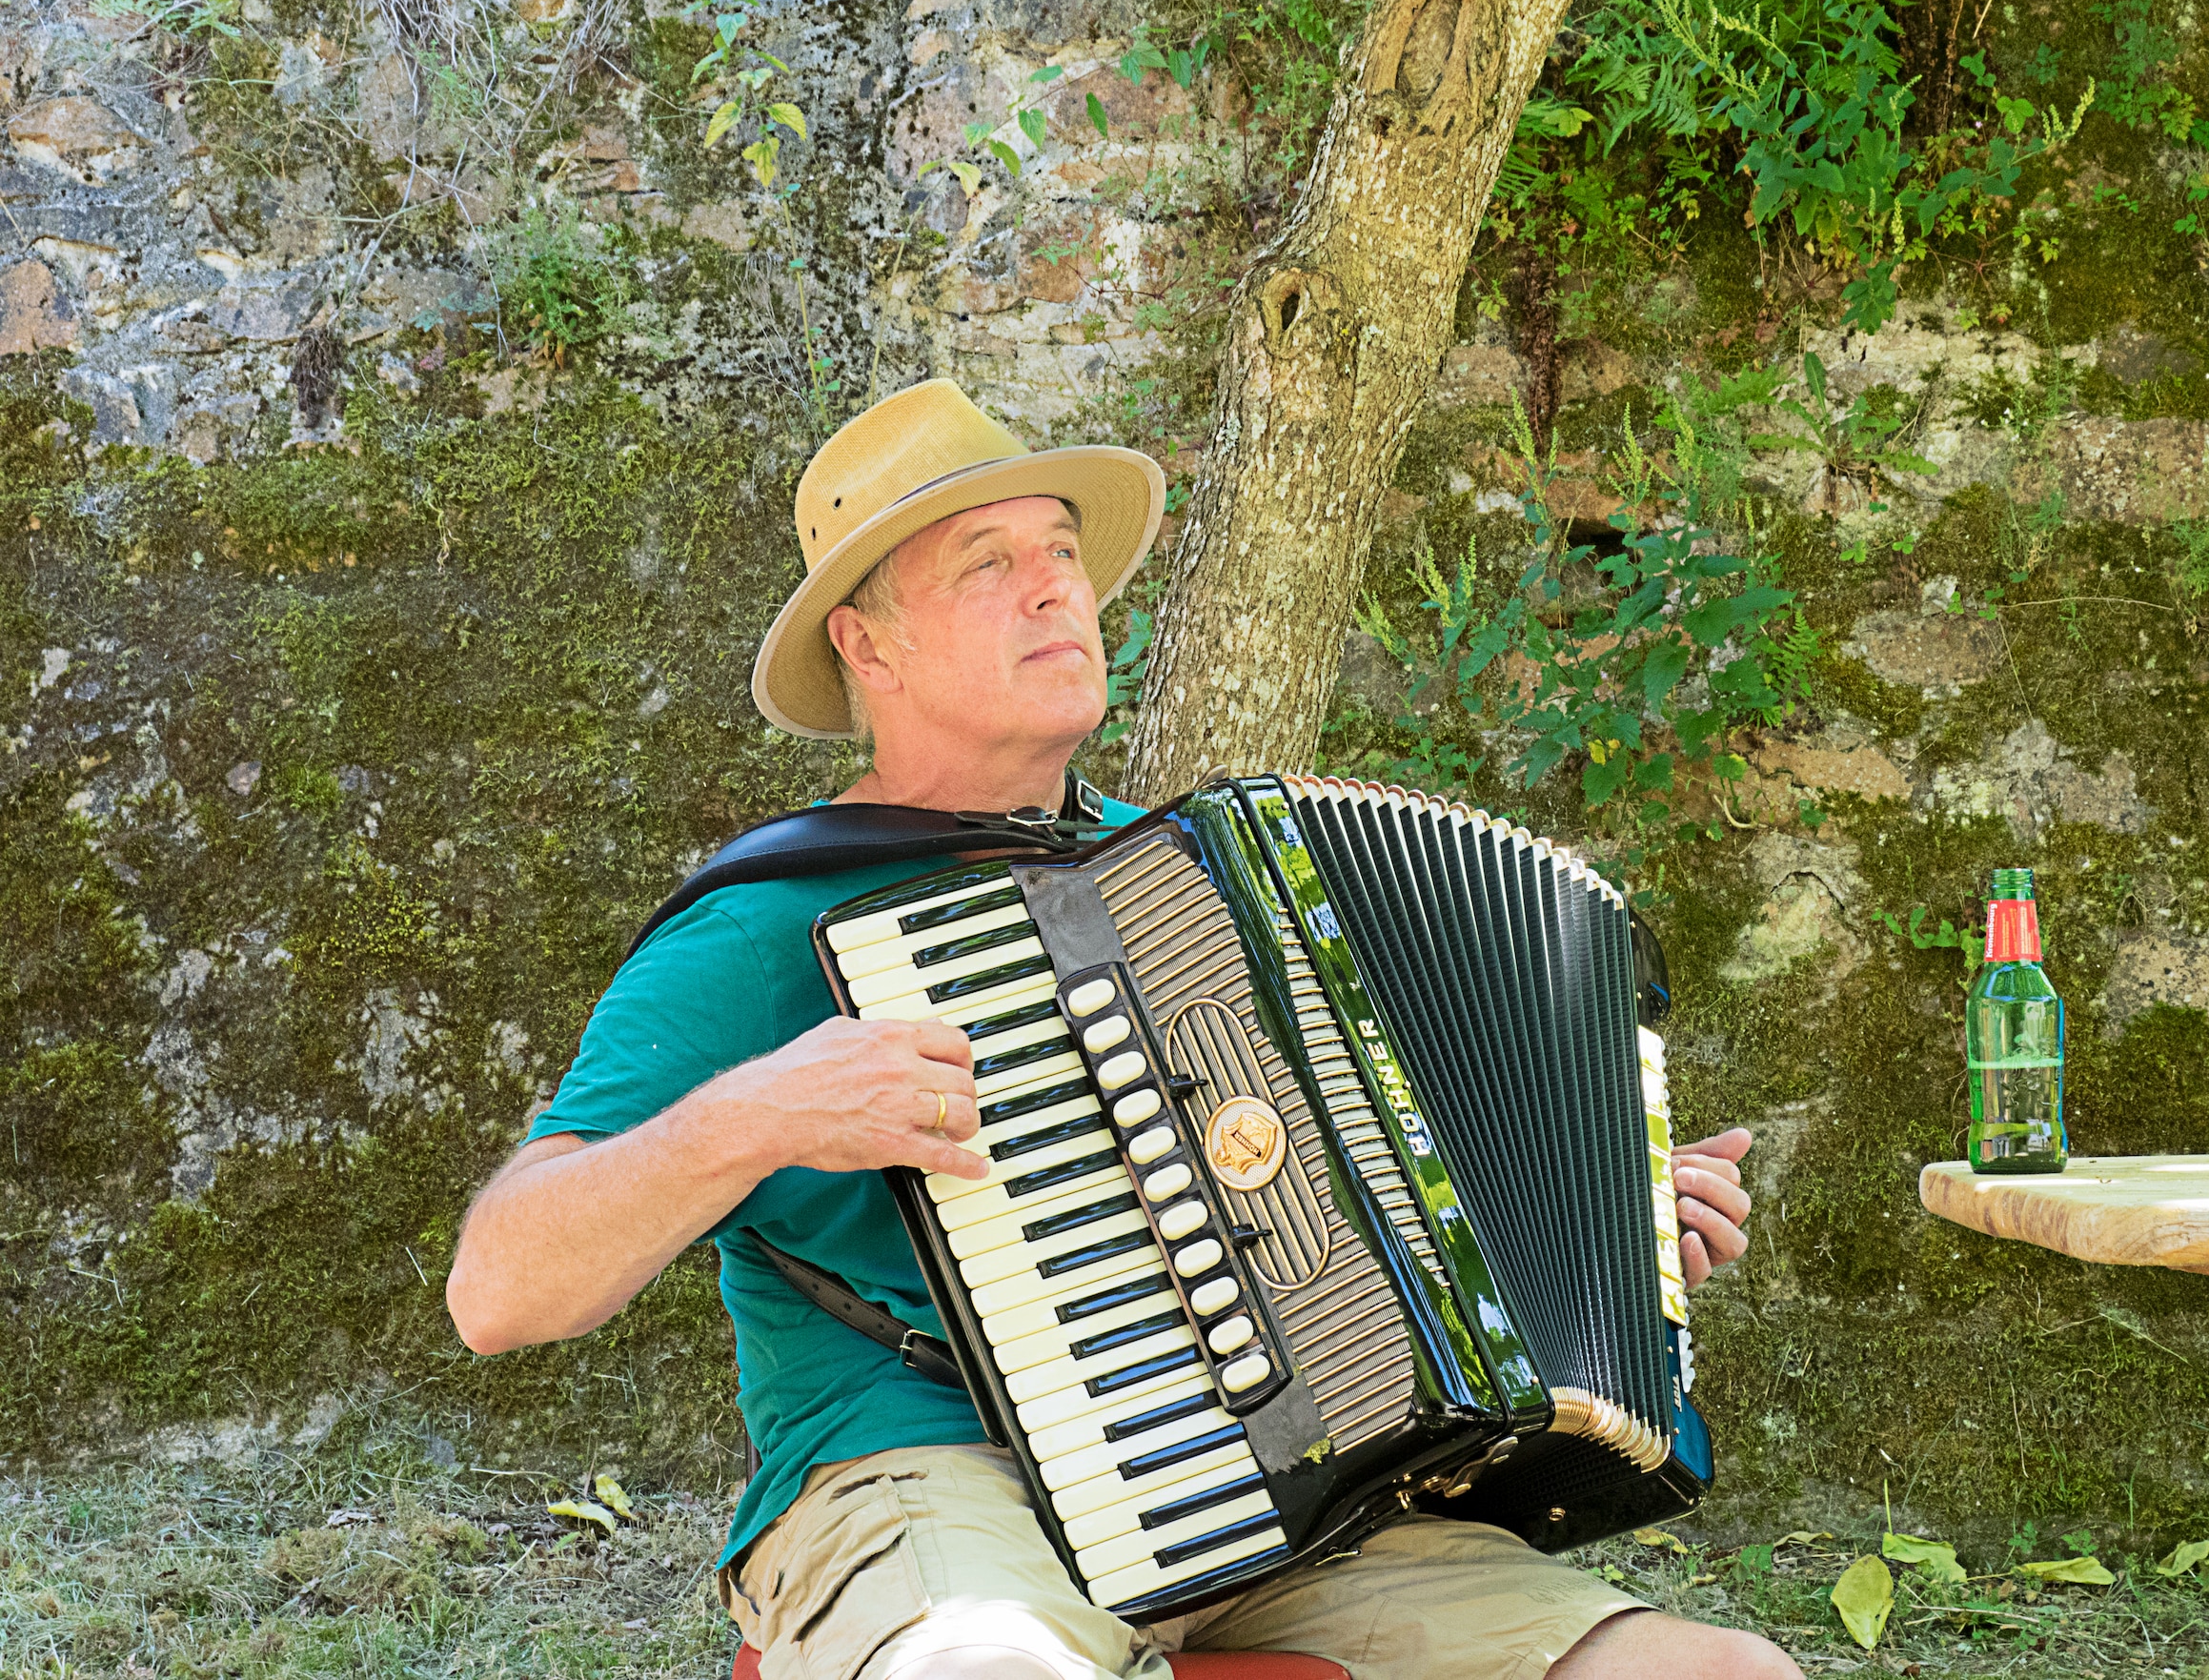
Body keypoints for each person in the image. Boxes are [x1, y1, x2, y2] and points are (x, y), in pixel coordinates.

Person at [446, 380, 1796, 1680]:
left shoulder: (1195, 883)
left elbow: (1361, 1190)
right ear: (868, 646)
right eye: (986, 564)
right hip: (929, 1480)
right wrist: (757, 1114)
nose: (1054, 589)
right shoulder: (762, 926)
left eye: (1061, 552)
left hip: (1273, 1491)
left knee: (1723, 1672)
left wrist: (1610, 1218)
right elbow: (499, 1292)